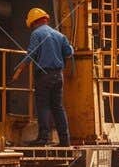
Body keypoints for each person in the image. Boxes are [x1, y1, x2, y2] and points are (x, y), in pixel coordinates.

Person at [11, 8, 74, 146]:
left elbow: (31, 54)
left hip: (44, 75)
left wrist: (19, 70)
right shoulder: (59, 35)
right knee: (58, 107)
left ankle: (43, 139)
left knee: (43, 106)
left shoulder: (36, 34)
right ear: (45, 19)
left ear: (33, 23)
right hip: (58, 75)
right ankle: (65, 140)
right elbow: (69, 52)